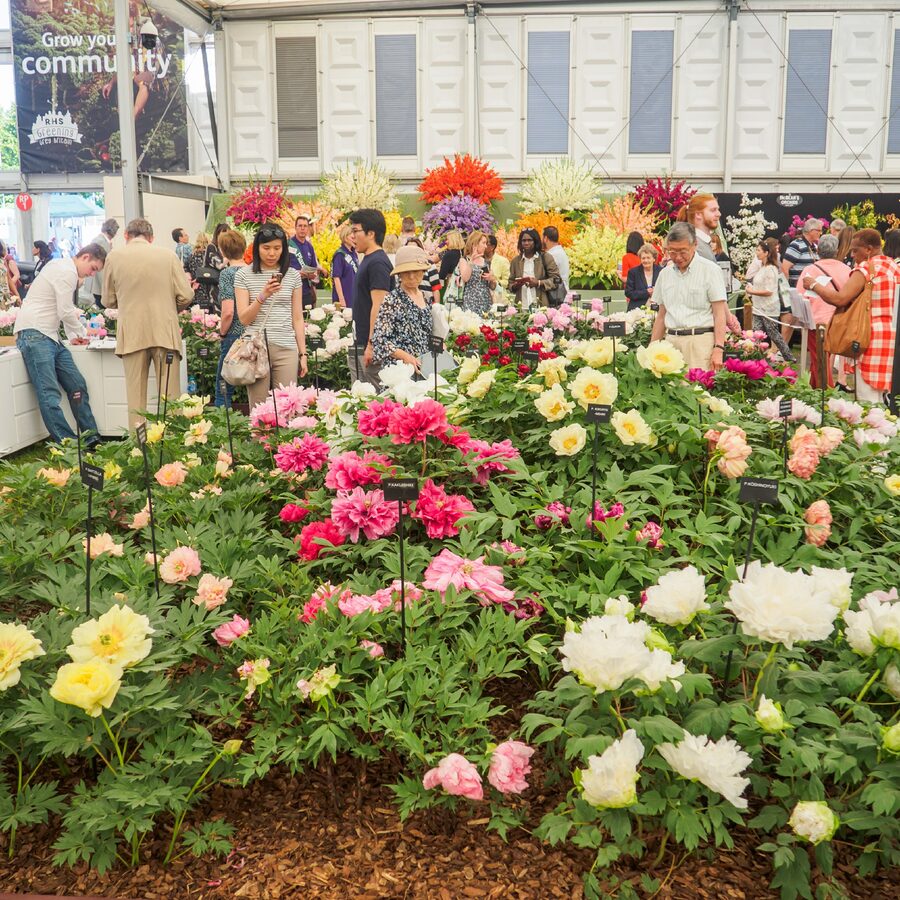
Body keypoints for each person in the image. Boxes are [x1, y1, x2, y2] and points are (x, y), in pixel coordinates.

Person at [102, 218, 195, 429]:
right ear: (151, 238)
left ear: (126, 235)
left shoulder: (114, 257)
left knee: (135, 400)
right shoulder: (168, 256)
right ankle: (171, 442)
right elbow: (187, 294)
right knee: (170, 398)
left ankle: (138, 444)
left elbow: (107, 300)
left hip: (132, 333)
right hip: (165, 332)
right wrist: (170, 308)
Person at [13, 244, 106, 445]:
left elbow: (62, 309)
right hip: (35, 333)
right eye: (93, 268)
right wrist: (83, 333)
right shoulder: (66, 271)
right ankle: (68, 445)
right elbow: (65, 311)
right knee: (49, 393)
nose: (92, 274)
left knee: (76, 384)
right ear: (85, 257)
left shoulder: (63, 267)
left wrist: (74, 335)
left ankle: (91, 438)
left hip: (49, 335)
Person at [804, 228, 900, 404]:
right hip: (891, 337)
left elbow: (840, 299)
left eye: (855, 250)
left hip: (867, 336)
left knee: (867, 399)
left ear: (869, 249)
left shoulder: (866, 268)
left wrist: (813, 285)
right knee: (884, 398)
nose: (852, 255)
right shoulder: (893, 266)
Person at [235, 223, 308, 409]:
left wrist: (303, 353)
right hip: (256, 348)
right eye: (266, 248)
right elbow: (244, 318)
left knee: (287, 406)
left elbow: (297, 318)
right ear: (257, 247)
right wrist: (263, 295)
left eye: (277, 248)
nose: (271, 253)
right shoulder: (243, 275)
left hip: (286, 347)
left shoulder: (292, 275)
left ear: (284, 249)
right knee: (259, 409)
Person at [649, 222, 727, 371]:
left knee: (698, 385)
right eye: (672, 252)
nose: (678, 257)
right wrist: (651, 349)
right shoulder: (665, 274)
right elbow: (661, 316)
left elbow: (719, 313)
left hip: (700, 344)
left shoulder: (710, 270)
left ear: (695, 245)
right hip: (670, 344)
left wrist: (719, 348)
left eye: (683, 251)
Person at [796, 234, 851, 389]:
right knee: (821, 358)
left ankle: (827, 391)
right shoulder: (847, 270)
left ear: (818, 250)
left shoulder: (810, 270)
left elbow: (800, 296)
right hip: (839, 320)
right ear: (837, 250)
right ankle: (814, 389)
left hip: (816, 321)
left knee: (819, 358)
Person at [348, 209, 393, 386]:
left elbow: (379, 306)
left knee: (373, 395)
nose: (352, 236)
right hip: (362, 340)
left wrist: (372, 345)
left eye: (355, 231)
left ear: (371, 233)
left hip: (371, 346)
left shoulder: (377, 263)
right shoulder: (368, 259)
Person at [371, 245, 433, 370]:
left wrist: (438, 345)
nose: (411, 276)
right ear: (399, 274)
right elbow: (379, 341)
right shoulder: (391, 301)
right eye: (406, 272)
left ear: (423, 271)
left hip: (424, 367)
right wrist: (404, 356)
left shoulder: (425, 297)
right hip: (399, 370)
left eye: (415, 271)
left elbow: (427, 333)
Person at [743, 238, 795, 362]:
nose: (756, 253)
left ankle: (788, 357)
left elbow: (769, 291)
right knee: (756, 334)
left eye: (759, 250)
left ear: (766, 253)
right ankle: (754, 359)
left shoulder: (771, 269)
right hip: (758, 307)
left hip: (769, 308)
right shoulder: (762, 267)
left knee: (774, 334)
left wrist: (752, 291)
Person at [214, 229, 247, 408]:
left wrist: (222, 332)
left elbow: (228, 312)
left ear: (223, 250)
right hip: (253, 334)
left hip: (234, 335)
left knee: (223, 388)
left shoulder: (227, 274)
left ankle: (222, 421)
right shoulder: (252, 271)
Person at [508, 228, 560, 308]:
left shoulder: (546, 257)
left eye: (529, 240)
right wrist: (515, 285)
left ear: (535, 241)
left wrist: (538, 283)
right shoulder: (515, 261)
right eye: (524, 240)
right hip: (521, 307)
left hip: (541, 306)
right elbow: (510, 283)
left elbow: (556, 280)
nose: (526, 243)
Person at [287, 215, 325, 310]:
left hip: (306, 291)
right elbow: (281, 267)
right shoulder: (288, 245)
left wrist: (312, 275)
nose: (302, 228)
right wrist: (297, 273)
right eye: (300, 226)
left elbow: (313, 267)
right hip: (290, 291)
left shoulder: (309, 246)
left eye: (305, 226)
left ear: (308, 228)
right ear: (295, 227)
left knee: (307, 318)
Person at [83, 218, 119, 307]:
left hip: (97, 281)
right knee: (102, 306)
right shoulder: (101, 241)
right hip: (98, 282)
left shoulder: (101, 240)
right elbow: (101, 266)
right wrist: (106, 286)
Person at [459, 230, 496, 316]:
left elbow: (492, 287)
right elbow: (465, 278)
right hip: (470, 301)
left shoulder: (486, 262)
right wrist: (471, 261)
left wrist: (492, 279)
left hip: (485, 300)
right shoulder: (464, 260)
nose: (486, 246)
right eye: (483, 243)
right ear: (475, 244)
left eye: (486, 243)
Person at [677, 194, 721, 263]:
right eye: (713, 210)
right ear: (698, 214)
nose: (719, 214)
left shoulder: (701, 243)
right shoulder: (695, 248)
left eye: (718, 210)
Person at [189, 232, 224, 312]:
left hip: (197, 287)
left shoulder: (192, 255)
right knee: (212, 312)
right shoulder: (210, 254)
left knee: (200, 313)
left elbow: (190, 269)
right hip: (209, 286)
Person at [782, 218, 822, 287]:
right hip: (796, 288)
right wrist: (786, 288)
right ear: (810, 230)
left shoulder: (814, 247)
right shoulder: (796, 245)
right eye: (818, 230)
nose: (820, 233)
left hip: (810, 288)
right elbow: (784, 269)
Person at [624, 244, 663, 311]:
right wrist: (646, 292)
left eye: (648, 258)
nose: (646, 260)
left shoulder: (661, 271)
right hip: (637, 310)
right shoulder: (633, 272)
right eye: (643, 258)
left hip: (657, 308)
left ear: (654, 259)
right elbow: (628, 293)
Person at [330, 222, 359, 309]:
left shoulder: (354, 253)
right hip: (344, 297)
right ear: (345, 237)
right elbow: (336, 278)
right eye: (352, 237)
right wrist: (341, 299)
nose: (355, 240)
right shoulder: (340, 255)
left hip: (353, 296)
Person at [405, 237, 441, 302]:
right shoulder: (403, 266)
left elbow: (435, 288)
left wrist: (436, 305)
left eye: (415, 249)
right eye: (409, 248)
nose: (411, 251)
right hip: (408, 303)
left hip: (427, 303)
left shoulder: (429, 264)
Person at [542, 226, 570, 294]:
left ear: (545, 238)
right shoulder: (560, 251)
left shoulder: (551, 255)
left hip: (556, 293)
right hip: (562, 291)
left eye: (542, 237)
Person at [438, 230, 465, 299]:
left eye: (447, 239)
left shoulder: (448, 255)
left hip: (452, 284)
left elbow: (442, 275)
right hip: (462, 284)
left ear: (453, 240)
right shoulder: (462, 253)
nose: (446, 242)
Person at [485, 234, 510, 306]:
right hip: (482, 296)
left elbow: (507, 282)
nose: (484, 246)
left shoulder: (502, 261)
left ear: (492, 247)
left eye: (486, 244)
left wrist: (495, 281)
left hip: (498, 298)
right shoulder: (479, 260)